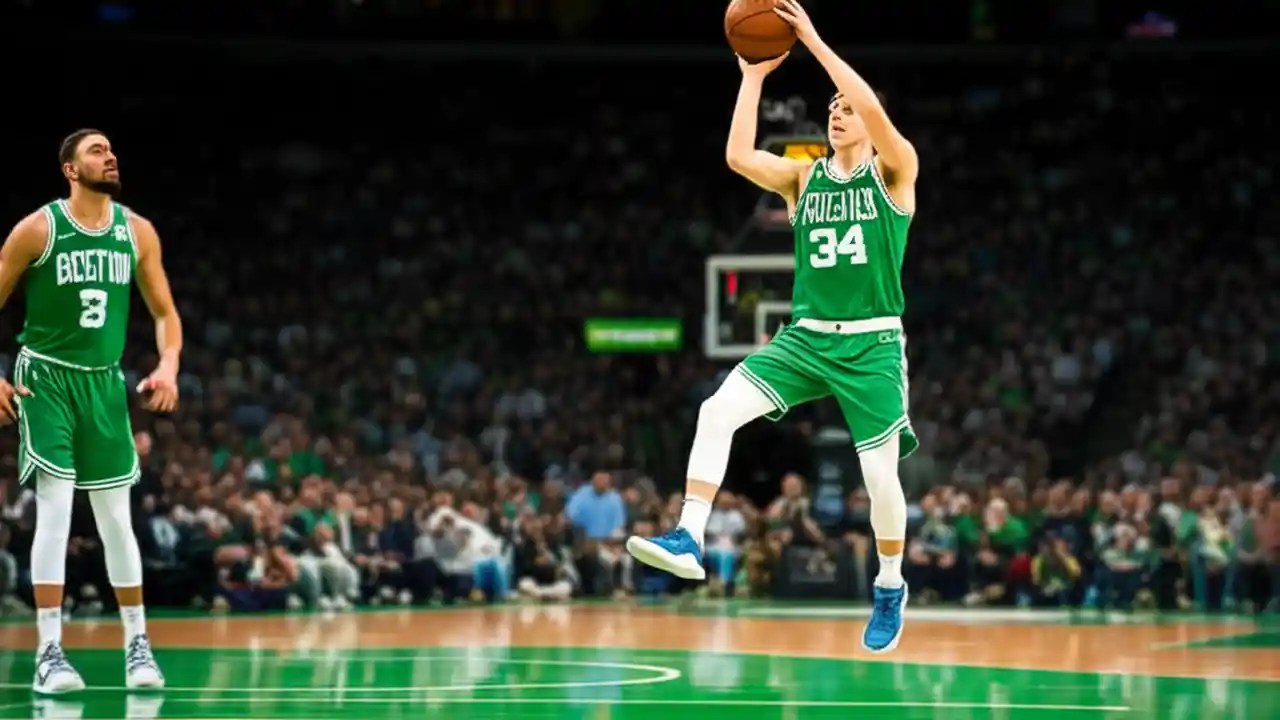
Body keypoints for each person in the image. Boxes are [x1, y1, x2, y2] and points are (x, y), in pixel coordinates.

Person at [626, 0, 918, 653]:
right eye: (832, 107)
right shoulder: (801, 178)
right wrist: (753, 76)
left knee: (879, 478)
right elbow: (736, 155)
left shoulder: (896, 170)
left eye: (847, 107)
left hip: (872, 343)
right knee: (716, 411)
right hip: (805, 337)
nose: (838, 111)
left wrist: (812, 38)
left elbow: (870, 105)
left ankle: (890, 584)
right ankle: (689, 534)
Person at [0, 129, 182, 693]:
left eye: (111, 149)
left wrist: (168, 365)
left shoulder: (137, 231)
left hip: (104, 382)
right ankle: (48, 652)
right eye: (96, 151)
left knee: (116, 519)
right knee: (55, 508)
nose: (110, 155)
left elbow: (165, 314)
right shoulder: (39, 229)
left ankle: (138, 645)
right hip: (46, 377)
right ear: (70, 170)